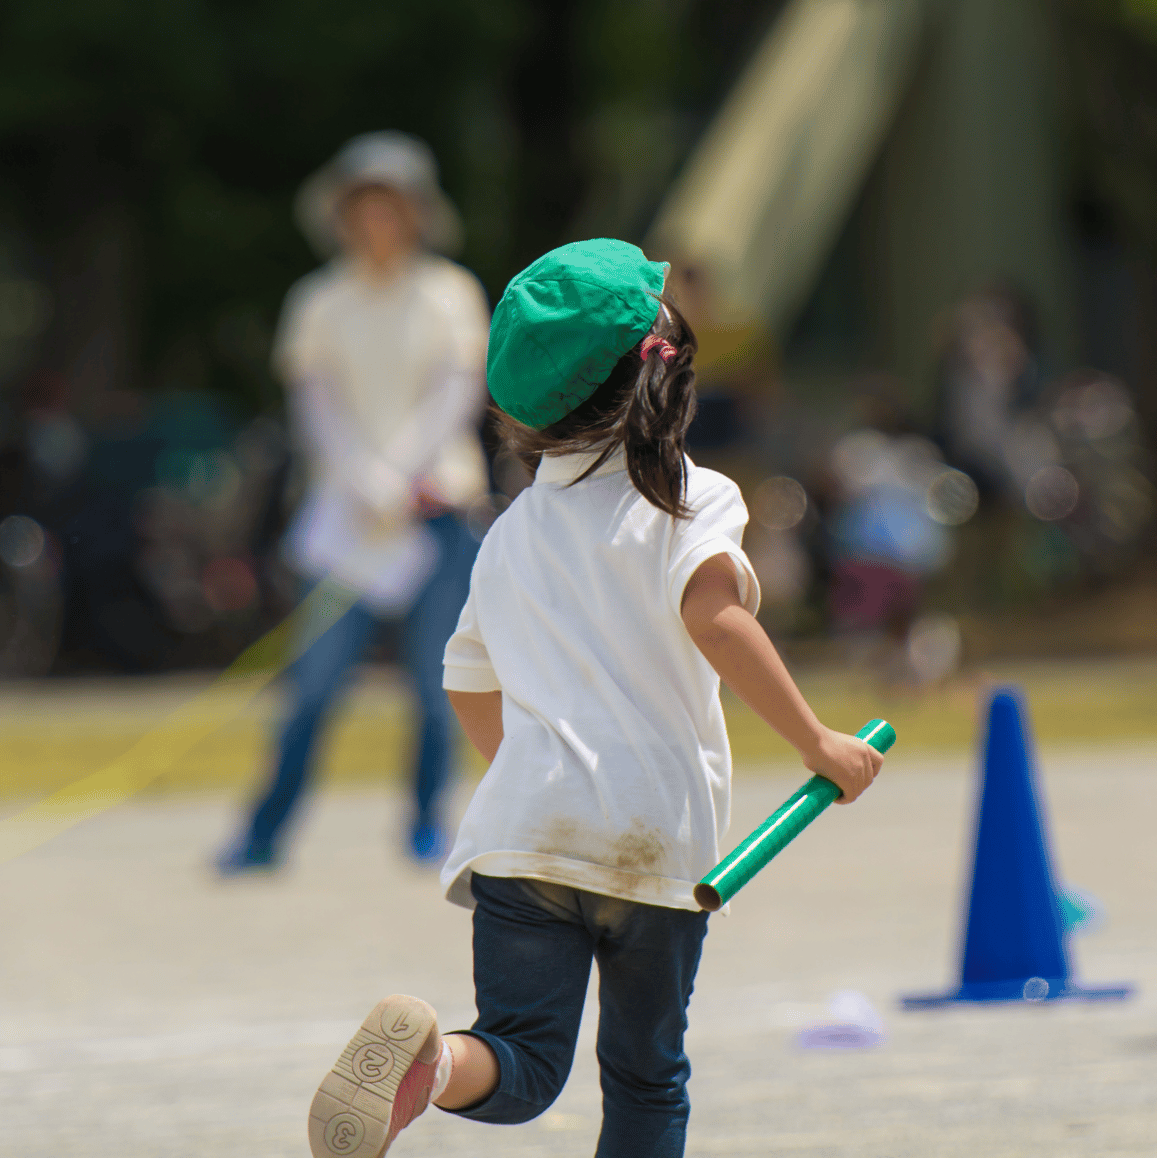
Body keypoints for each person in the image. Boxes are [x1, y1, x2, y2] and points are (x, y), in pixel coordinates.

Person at [304, 239, 883, 1158]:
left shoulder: (512, 531)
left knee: (522, 1059)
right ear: (667, 374)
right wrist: (821, 744)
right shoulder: (693, 497)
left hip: (521, 834)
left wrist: (540, 771)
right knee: (648, 1078)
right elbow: (719, 623)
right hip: (651, 843)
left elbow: (466, 685)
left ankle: (436, 1066)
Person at [219, 133, 490, 872]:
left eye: (390, 208)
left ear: (416, 215)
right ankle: (266, 831)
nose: (376, 222)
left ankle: (428, 827)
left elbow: (454, 391)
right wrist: (362, 480)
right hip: (345, 518)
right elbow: (317, 401)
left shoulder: (450, 292)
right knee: (312, 686)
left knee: (440, 689)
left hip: (437, 514)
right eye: (362, 207)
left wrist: (401, 475)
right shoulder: (318, 301)